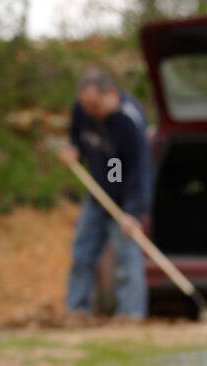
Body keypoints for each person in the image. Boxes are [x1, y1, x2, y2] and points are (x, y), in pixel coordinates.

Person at [59, 67, 151, 320]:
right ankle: (77, 310)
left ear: (110, 94)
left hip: (124, 202)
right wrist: (73, 149)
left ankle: (130, 315)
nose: (90, 113)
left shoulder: (129, 121)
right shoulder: (83, 110)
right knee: (82, 254)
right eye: (86, 107)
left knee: (126, 259)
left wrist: (132, 212)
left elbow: (140, 172)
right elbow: (76, 138)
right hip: (97, 195)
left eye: (95, 106)